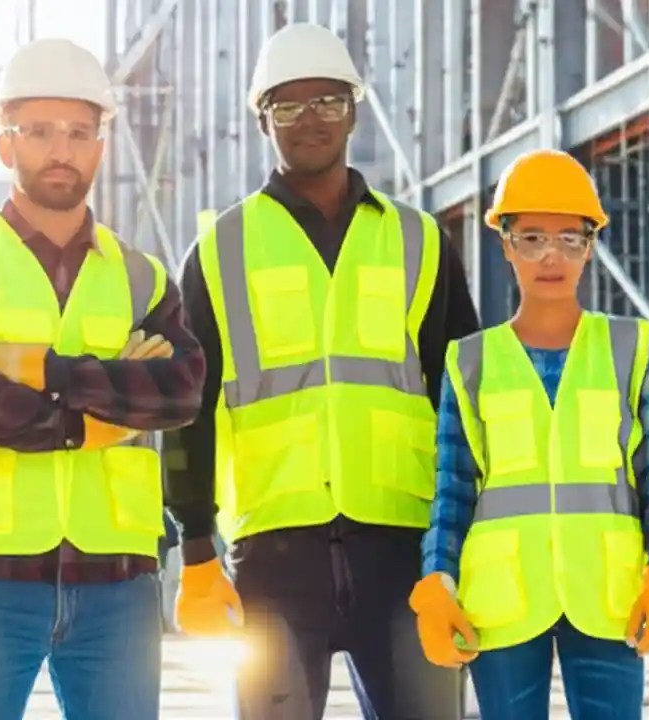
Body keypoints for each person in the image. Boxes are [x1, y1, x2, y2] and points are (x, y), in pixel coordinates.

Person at [166, 21, 481, 720]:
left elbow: (465, 406)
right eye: (289, 105)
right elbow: (185, 413)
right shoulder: (220, 247)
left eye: (328, 101)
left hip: (405, 548)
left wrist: (464, 544)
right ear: (263, 120)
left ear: (354, 108)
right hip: (274, 555)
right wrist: (193, 547)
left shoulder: (419, 239)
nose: (311, 119)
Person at [0, 38, 205, 720]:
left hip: (119, 582)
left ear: (101, 145)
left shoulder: (143, 278)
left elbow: (181, 390)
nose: (60, 150)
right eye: (37, 131)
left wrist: (44, 371)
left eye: (78, 132)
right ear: (5, 144)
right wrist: (99, 416)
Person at [410, 149, 649, 720]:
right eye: (533, 237)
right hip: (504, 598)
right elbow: (453, 490)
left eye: (570, 239)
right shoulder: (471, 360)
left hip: (608, 594)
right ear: (506, 243)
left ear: (590, 246)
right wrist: (437, 583)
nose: (551, 257)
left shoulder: (629, 348)